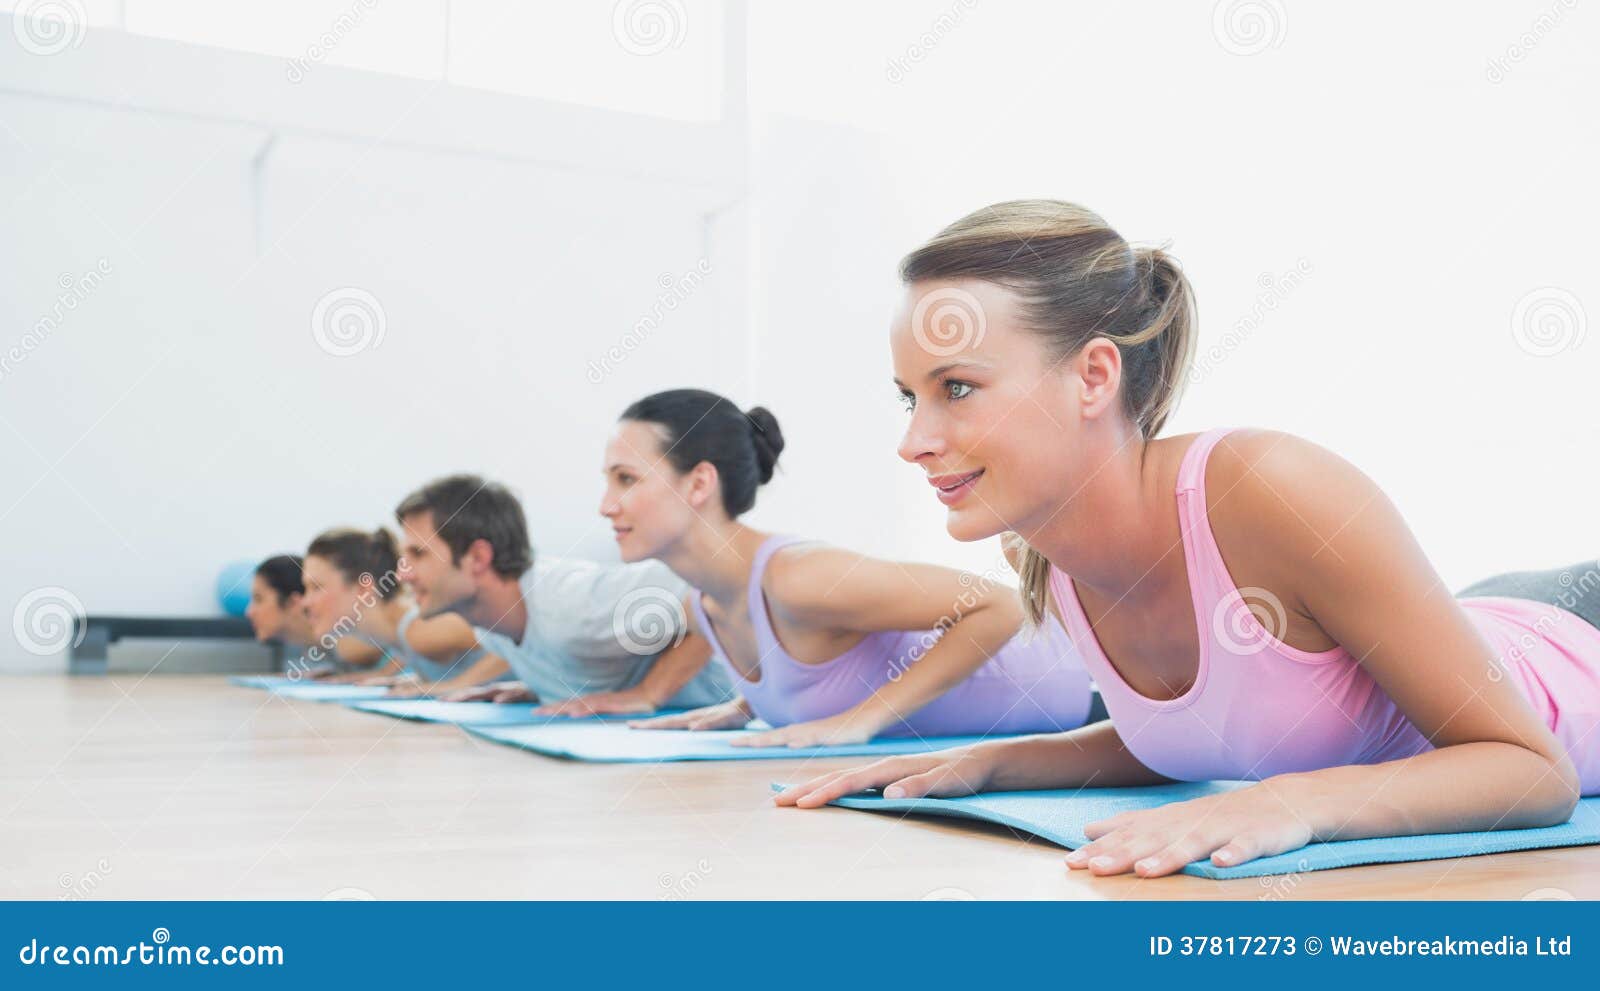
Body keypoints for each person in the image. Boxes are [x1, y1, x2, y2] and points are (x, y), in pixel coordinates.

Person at [776, 199, 1600, 878]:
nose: (914, 439)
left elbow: (1530, 770)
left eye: (956, 387)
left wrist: (1290, 803)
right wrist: (995, 761)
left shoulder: (1268, 486)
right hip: (1488, 623)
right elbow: (1216, 726)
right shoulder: (1046, 554)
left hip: (1573, 641)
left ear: (1093, 376)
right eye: (907, 397)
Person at [601, 389, 1096, 747]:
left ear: (699, 483)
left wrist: (861, 720)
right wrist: (752, 704)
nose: (606, 506)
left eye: (626, 479)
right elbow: (818, 668)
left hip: (1071, 682)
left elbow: (1001, 606)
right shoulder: (704, 604)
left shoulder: (797, 577)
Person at [393, 475, 733, 715]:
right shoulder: (489, 623)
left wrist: (648, 693)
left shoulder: (574, 604)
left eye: (418, 554)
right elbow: (557, 649)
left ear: (479, 558)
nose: (402, 573)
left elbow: (715, 588)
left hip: (736, 723)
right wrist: (548, 686)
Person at [301, 528, 506, 694]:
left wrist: (456, 685)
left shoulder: (419, 631)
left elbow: (508, 641)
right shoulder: (400, 637)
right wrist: (393, 677)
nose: (305, 603)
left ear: (364, 589)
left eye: (316, 587)